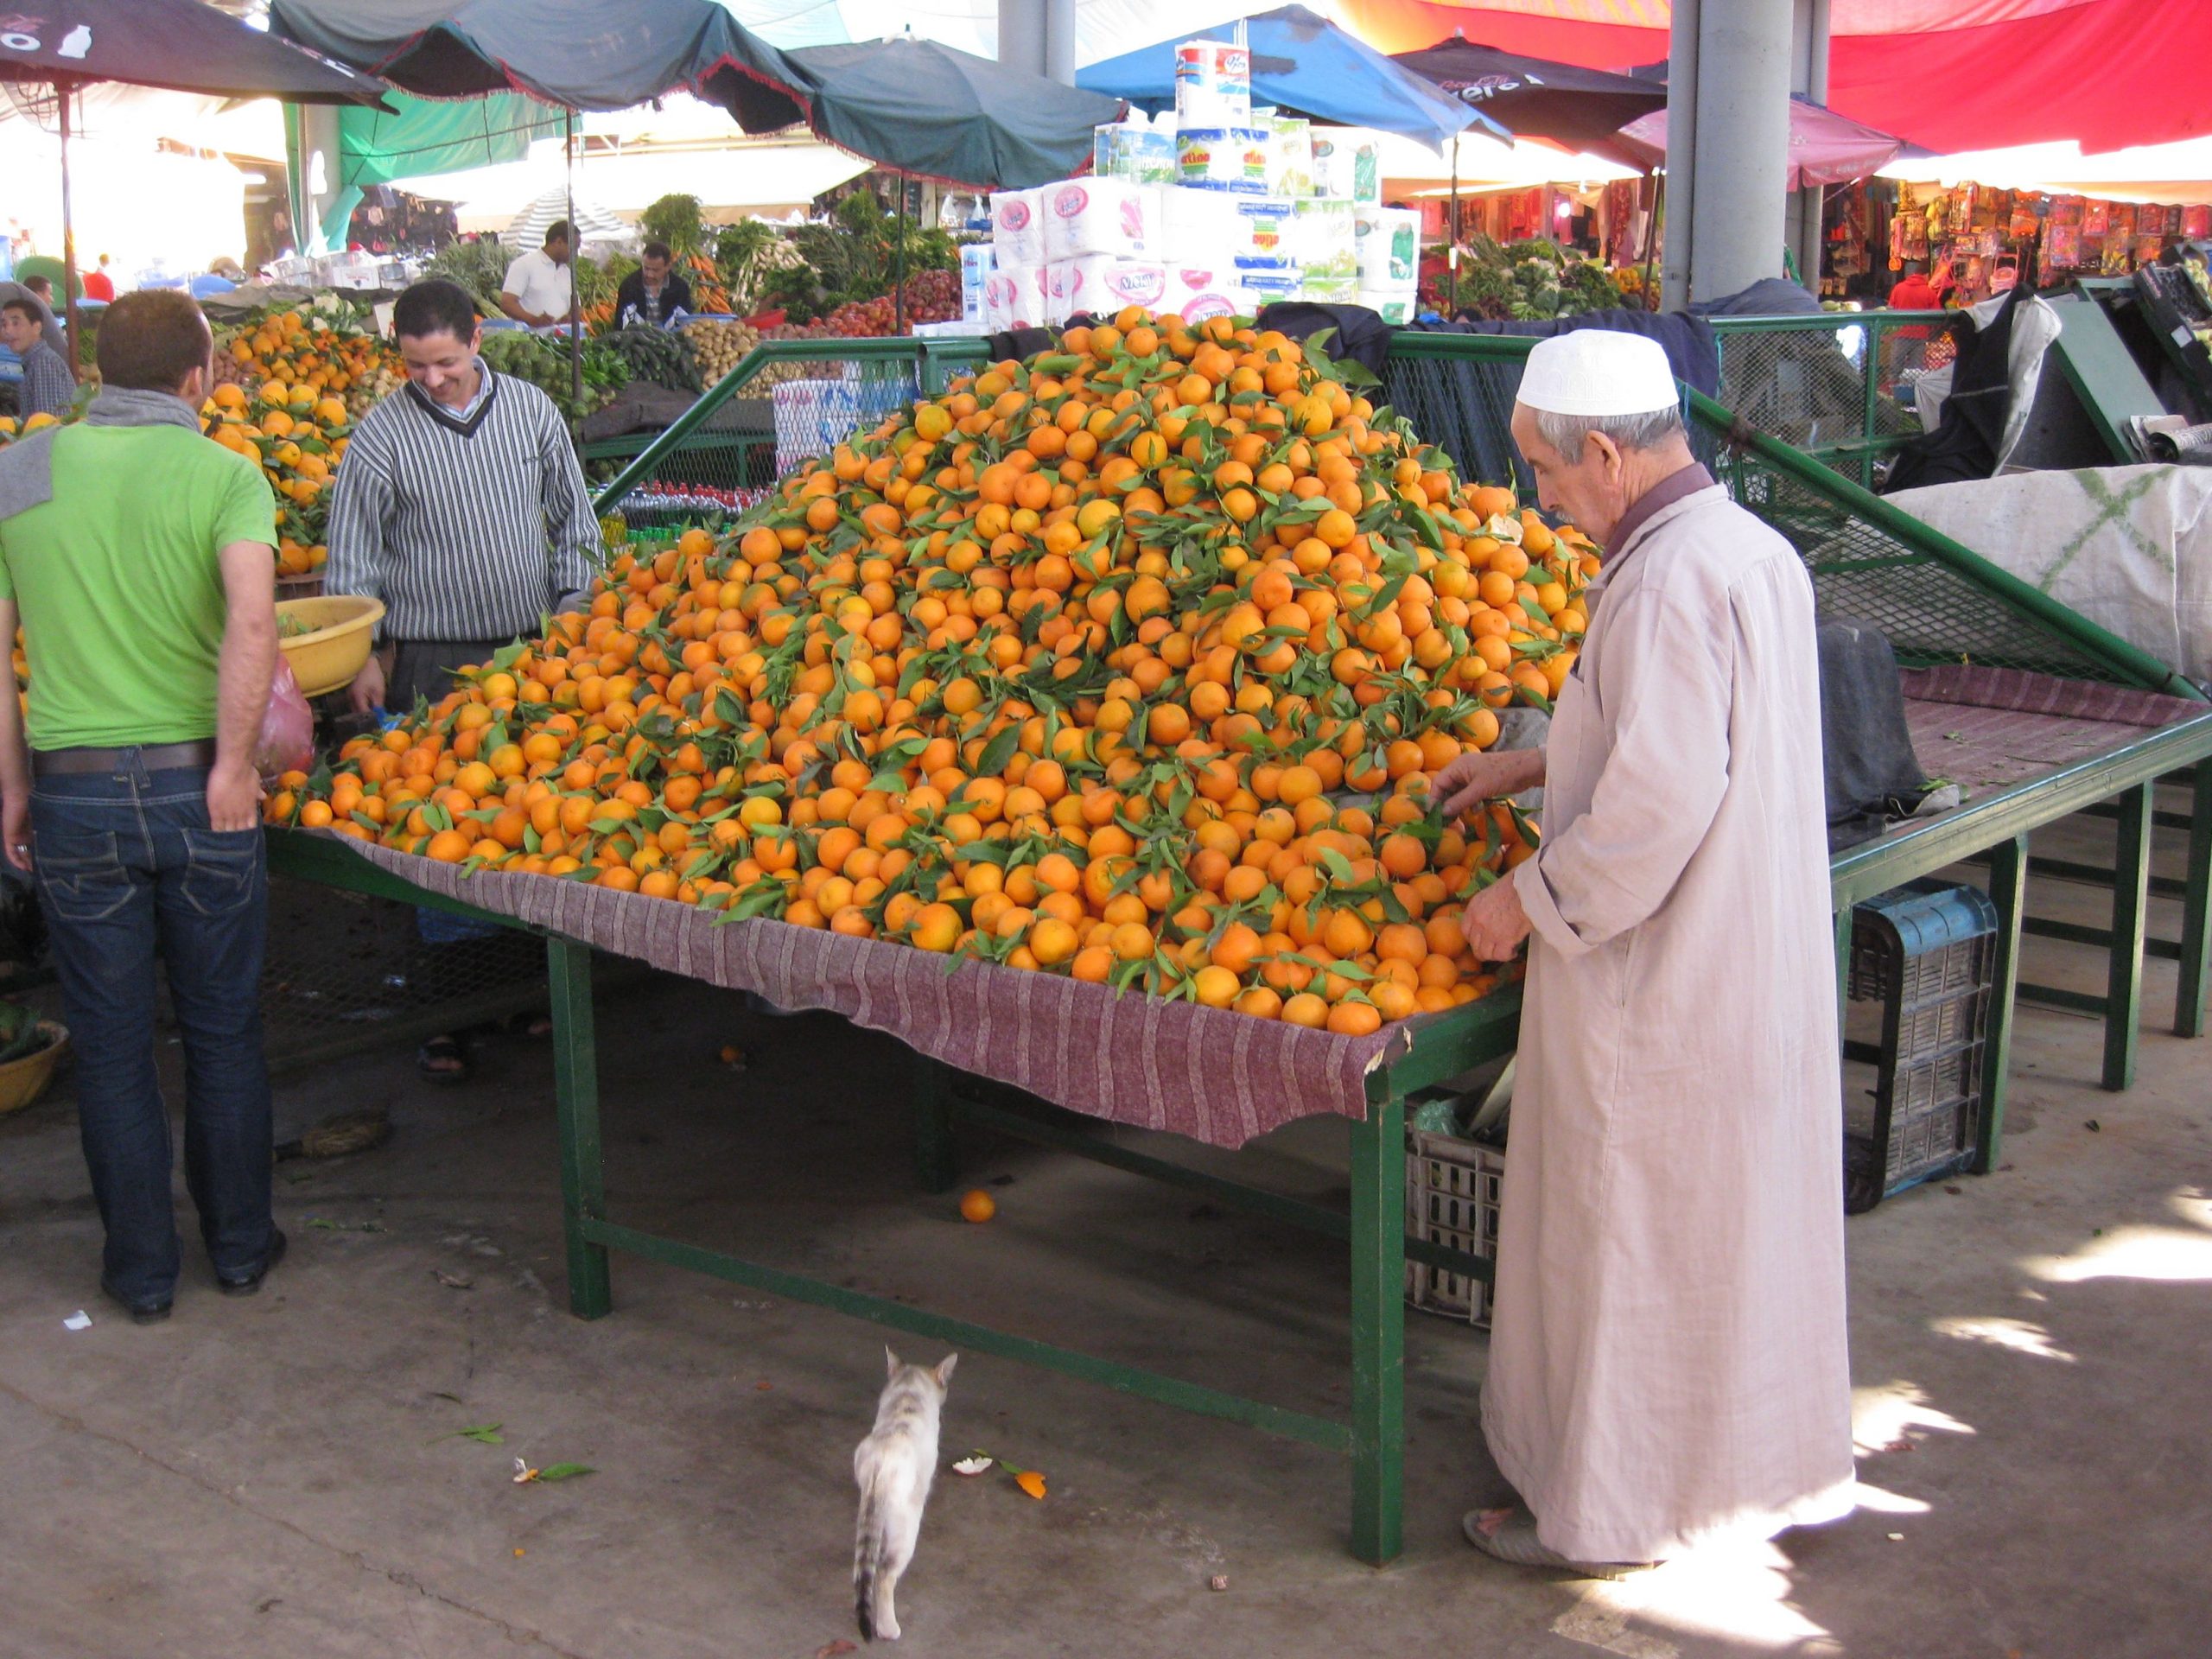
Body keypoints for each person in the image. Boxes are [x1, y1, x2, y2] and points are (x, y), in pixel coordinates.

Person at [1436, 330, 1853, 1576]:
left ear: (1606, 454)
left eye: (1547, 476)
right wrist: (1533, 759)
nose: (1540, 500)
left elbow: (1656, 809)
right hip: (1746, 965)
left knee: (1630, 1249)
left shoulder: (1669, 580)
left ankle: (1601, 1517)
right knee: (1722, 1251)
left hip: (1663, 981)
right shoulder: (1740, 547)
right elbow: (1676, 733)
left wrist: (1529, 897)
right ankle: (1731, 1479)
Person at [0, 289, 283, 1324]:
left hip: (73, 798)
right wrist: (233, 770)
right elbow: (254, 625)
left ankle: (141, 1276)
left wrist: (14, 789)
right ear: (196, 378)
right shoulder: (226, 474)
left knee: (113, 1051)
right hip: (195, 784)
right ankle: (243, 1252)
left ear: (89, 372)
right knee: (219, 1033)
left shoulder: (18, 471)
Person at [324, 277, 601, 1078]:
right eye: (414, 367)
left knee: (523, 822)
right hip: (426, 662)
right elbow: (353, 557)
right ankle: (447, 1011)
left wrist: (574, 619)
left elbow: (573, 524)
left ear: (476, 340)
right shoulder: (380, 438)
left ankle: (523, 992)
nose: (431, 379)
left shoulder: (531, 411)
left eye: (443, 362)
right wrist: (366, 653)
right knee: (433, 836)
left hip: (526, 652)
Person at [1, 296, 74, 418]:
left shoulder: (44, 362)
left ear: (37, 328)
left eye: (15, 323)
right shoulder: (34, 361)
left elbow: (47, 423)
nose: (7, 331)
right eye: (4, 324)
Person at [500, 220, 575, 328]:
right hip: (531, 339)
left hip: (561, 338)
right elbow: (507, 303)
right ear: (559, 242)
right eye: (573, 248)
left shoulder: (567, 272)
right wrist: (534, 320)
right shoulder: (524, 264)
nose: (575, 253)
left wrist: (569, 317)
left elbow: (575, 305)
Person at [613, 240, 694, 328]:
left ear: (668, 267)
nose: (649, 275)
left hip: (671, 338)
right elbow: (620, 325)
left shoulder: (680, 288)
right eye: (646, 268)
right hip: (637, 338)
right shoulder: (629, 286)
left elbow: (687, 323)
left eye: (655, 270)